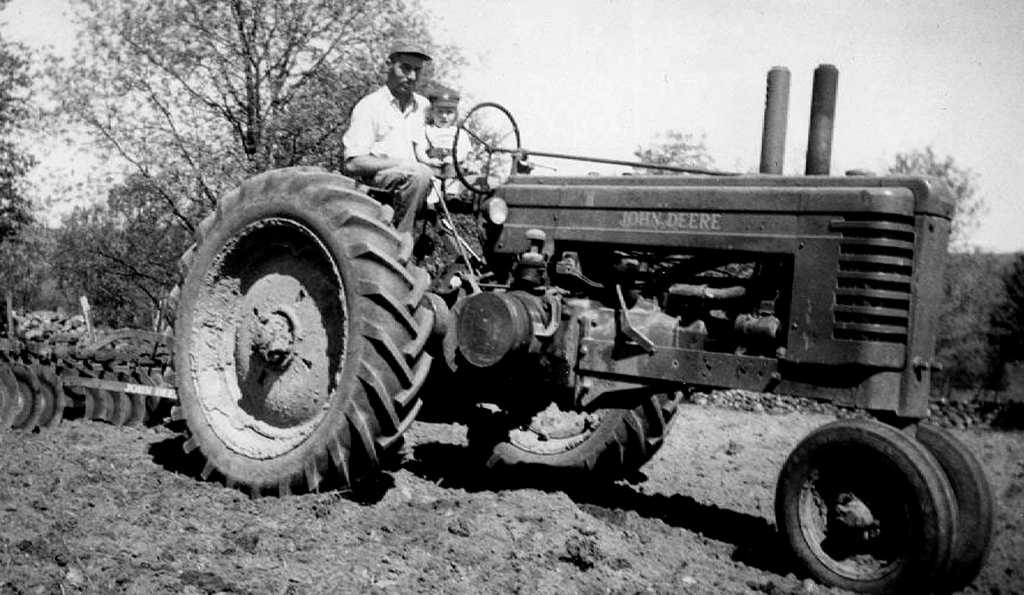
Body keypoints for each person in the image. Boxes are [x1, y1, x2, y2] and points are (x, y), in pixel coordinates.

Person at [342, 42, 442, 232]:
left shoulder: (424, 107)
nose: (411, 76)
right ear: (389, 66)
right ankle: (403, 240)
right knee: (419, 175)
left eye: (417, 70)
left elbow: (434, 147)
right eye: (405, 68)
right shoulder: (370, 106)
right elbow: (352, 164)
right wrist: (400, 164)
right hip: (380, 190)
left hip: (421, 186)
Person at [423, 84, 469, 204]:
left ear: (455, 114)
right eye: (440, 112)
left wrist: (454, 158)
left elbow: (463, 151)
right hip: (434, 163)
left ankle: (451, 194)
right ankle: (432, 200)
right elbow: (421, 148)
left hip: (451, 164)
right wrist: (428, 160)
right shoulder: (428, 130)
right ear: (432, 113)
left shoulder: (459, 133)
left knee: (453, 173)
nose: (444, 116)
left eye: (449, 112)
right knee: (432, 177)